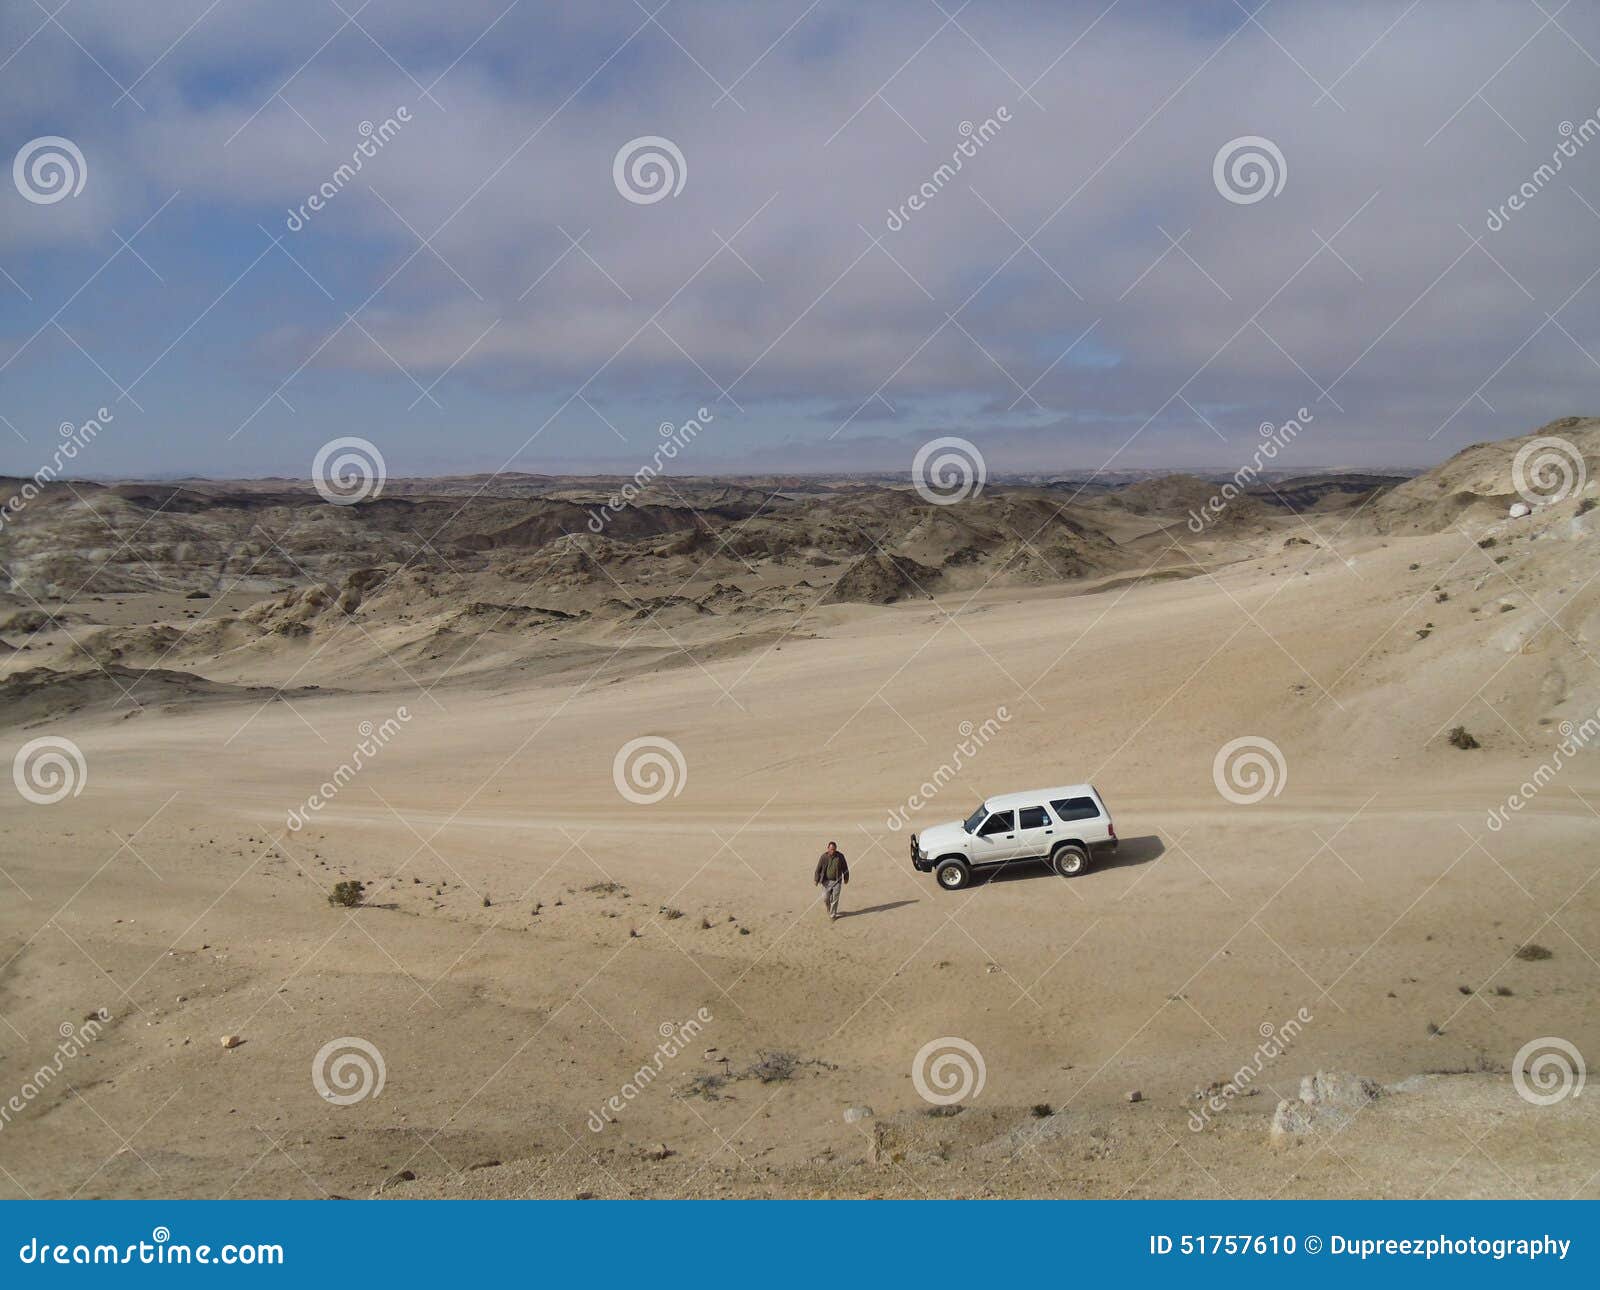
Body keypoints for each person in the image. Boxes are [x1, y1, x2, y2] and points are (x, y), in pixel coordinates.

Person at [814, 841, 849, 921]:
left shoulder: (840, 857)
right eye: (831, 849)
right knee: (825, 898)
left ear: (836, 849)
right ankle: (828, 908)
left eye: (834, 849)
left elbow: (845, 868)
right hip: (825, 881)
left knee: (835, 899)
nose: (832, 851)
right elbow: (818, 869)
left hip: (837, 881)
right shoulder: (823, 857)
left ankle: (833, 915)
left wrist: (846, 878)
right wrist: (816, 879)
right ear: (828, 849)